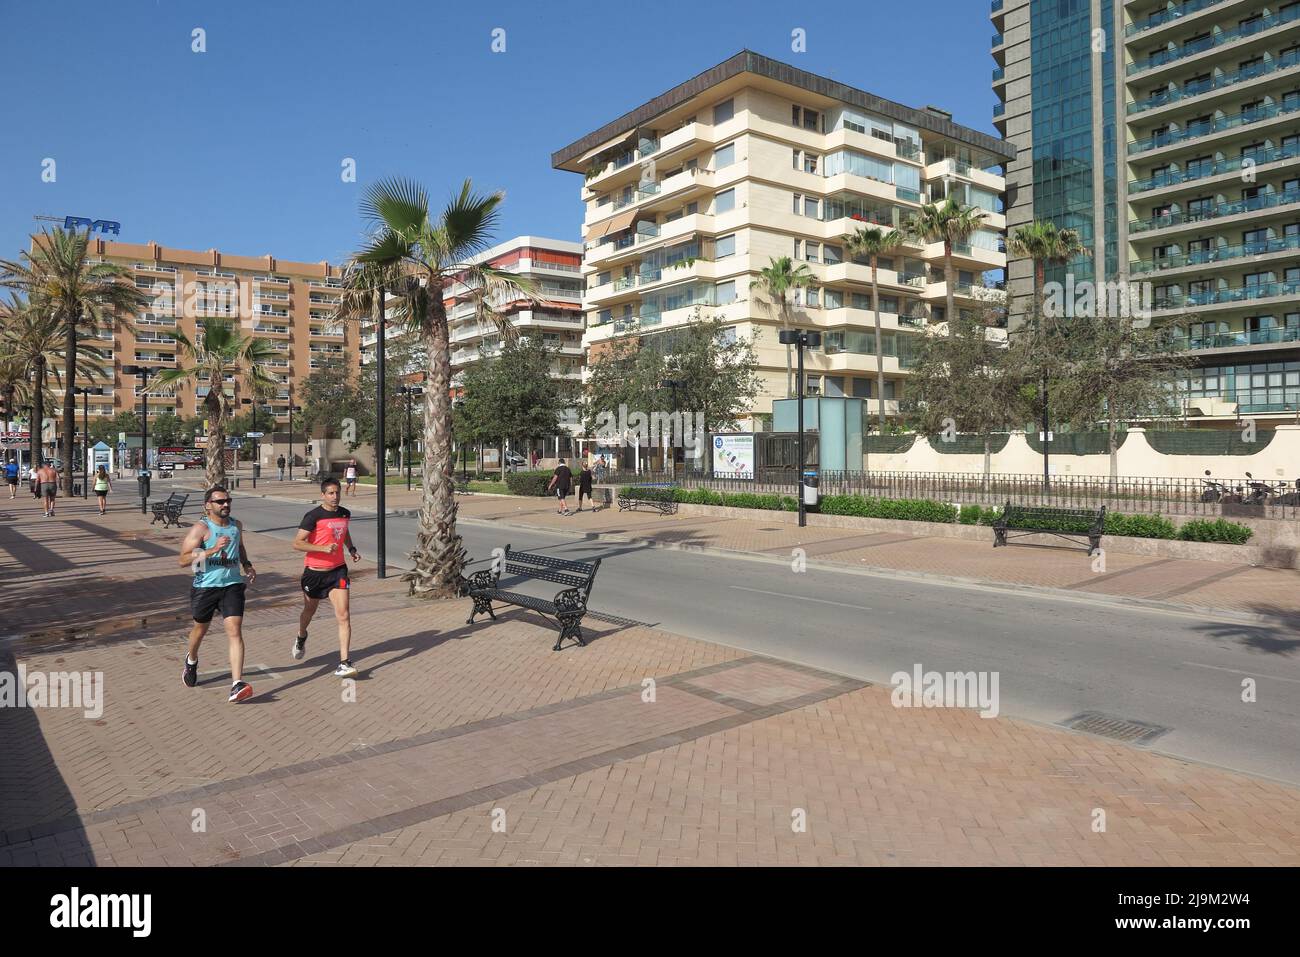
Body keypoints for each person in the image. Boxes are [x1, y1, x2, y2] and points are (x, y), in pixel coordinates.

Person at [178, 487, 257, 702]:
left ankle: (236, 684)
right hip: (205, 587)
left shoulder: (236, 525)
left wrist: (247, 565)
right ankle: (191, 659)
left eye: (228, 501)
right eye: (220, 501)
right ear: (208, 505)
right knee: (200, 629)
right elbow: (183, 559)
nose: (225, 505)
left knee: (234, 631)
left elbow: (240, 547)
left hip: (232, 585)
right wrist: (211, 550)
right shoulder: (201, 529)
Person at [292, 477, 360, 678]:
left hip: (338, 571)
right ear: (322, 495)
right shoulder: (313, 516)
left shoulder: (345, 513)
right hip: (314, 573)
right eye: (330, 493)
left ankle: (344, 662)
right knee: (309, 611)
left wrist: (351, 548)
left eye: (337, 492)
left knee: (344, 615)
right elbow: (297, 543)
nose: (335, 496)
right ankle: (301, 635)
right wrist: (321, 548)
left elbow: (343, 532)